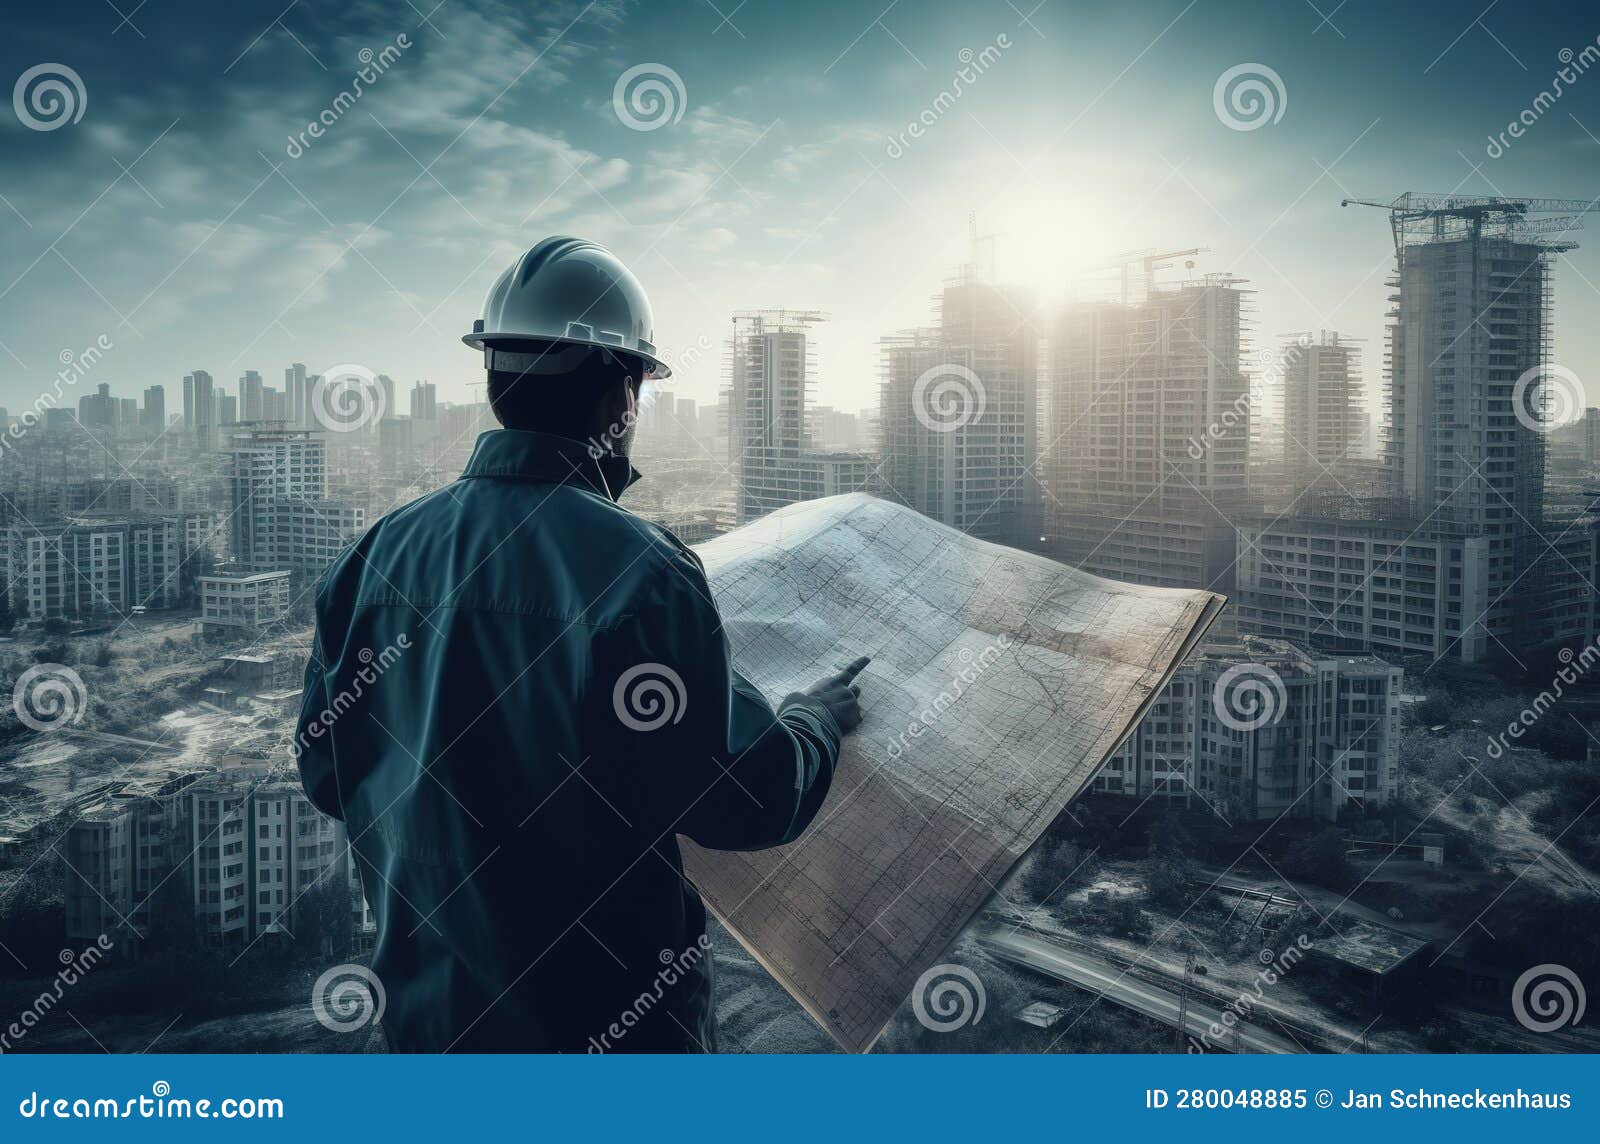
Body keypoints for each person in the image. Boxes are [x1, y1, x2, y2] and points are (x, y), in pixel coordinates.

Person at [293, 236, 867, 1052]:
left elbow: (327, 772)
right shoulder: (641, 576)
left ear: (495, 383)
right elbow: (750, 798)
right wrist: (813, 720)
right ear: (619, 401)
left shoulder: (374, 556)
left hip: (428, 1032)